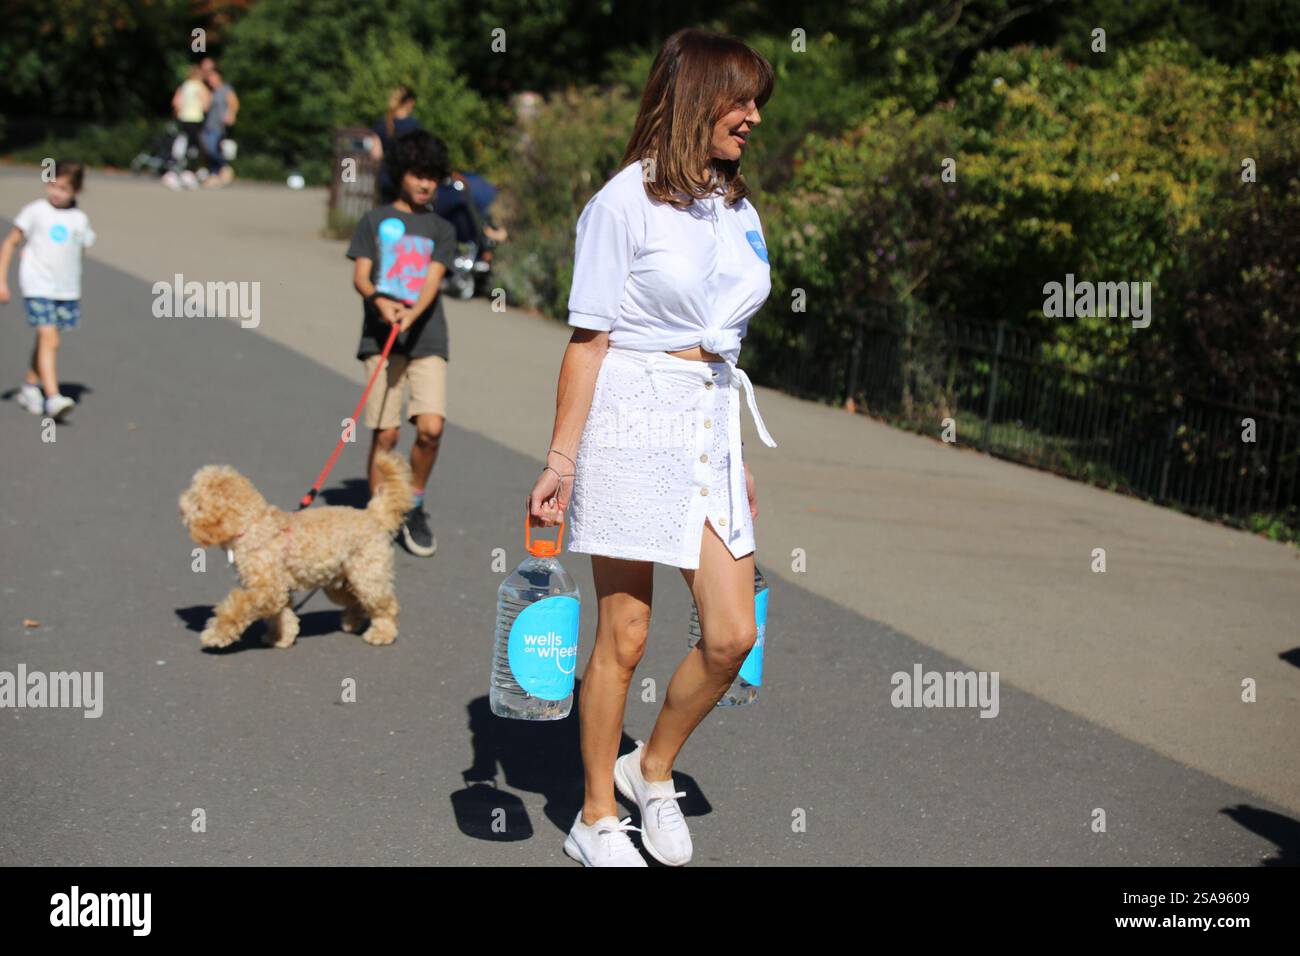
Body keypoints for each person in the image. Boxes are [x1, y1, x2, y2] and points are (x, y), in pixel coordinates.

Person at [528, 27, 776, 866]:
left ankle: (651, 767)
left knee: (731, 636)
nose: (752, 119)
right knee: (625, 636)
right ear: (695, 97)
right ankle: (595, 815)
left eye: (756, 104)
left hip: (709, 424)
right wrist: (561, 460)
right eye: (739, 100)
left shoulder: (737, 208)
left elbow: (728, 341)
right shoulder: (622, 202)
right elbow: (589, 340)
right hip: (632, 418)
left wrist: (735, 464)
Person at [347, 130, 457, 557]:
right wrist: (380, 301)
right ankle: (379, 515)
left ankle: (412, 502)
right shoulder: (373, 221)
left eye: (433, 176)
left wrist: (411, 312)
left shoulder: (441, 228)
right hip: (381, 336)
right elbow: (361, 275)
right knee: (387, 432)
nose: (425, 184)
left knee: (430, 428)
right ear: (401, 175)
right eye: (417, 174)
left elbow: (432, 280)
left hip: (428, 336)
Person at [0, 161, 96, 421]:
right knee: (49, 338)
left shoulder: (79, 219)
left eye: (63, 188)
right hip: (37, 285)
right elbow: (10, 243)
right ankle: (53, 398)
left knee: (47, 340)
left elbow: (81, 247)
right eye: (52, 185)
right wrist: (2, 281)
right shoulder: (35, 211)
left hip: (65, 290)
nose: (56, 192)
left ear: (75, 191)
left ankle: (30, 387)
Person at [370, 85, 420, 204]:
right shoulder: (413, 125)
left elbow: (375, 155)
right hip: (405, 179)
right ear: (409, 102)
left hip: (385, 177)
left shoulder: (381, 123)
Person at [200, 66, 239, 187]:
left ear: (218, 76)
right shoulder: (211, 91)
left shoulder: (225, 89)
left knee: (212, 148)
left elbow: (234, 102)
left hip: (219, 125)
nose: (210, 79)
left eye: (212, 76)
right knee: (207, 150)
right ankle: (214, 173)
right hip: (208, 125)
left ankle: (223, 167)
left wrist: (231, 114)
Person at [171, 64, 210, 166]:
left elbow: (176, 103)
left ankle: (177, 163)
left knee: (183, 140)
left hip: (183, 118)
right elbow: (206, 104)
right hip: (195, 118)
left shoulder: (184, 85)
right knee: (193, 144)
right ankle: (191, 167)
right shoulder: (200, 86)